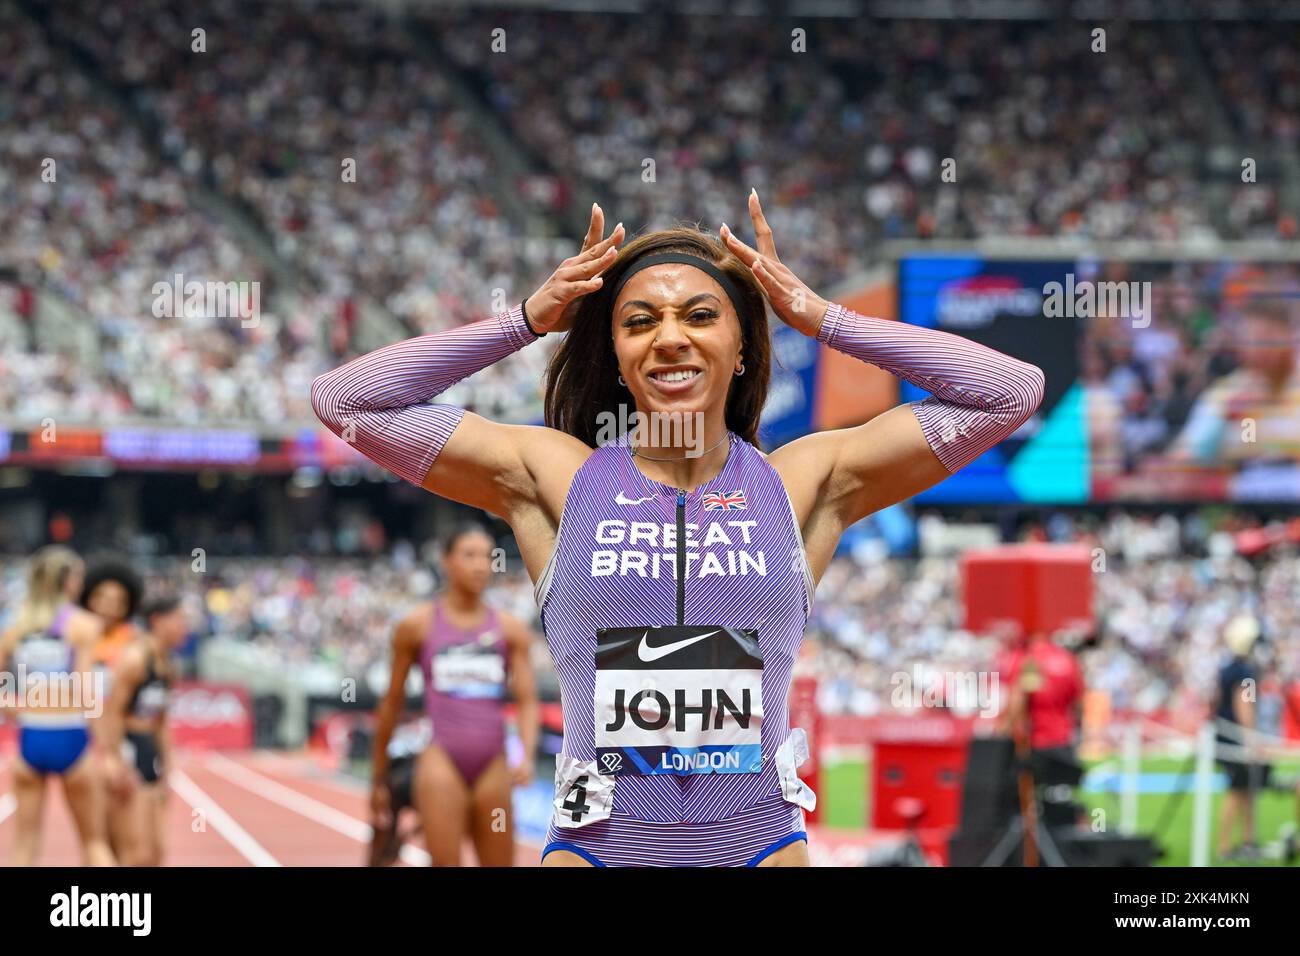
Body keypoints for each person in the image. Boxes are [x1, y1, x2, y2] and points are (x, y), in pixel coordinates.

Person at [312, 194, 1045, 866]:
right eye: (640, 322)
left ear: (744, 346)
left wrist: (824, 321)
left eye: (700, 316)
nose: (670, 338)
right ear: (620, 361)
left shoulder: (804, 482)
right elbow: (346, 400)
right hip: (601, 846)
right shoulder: (558, 478)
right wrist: (527, 319)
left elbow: (1009, 393)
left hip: (756, 843)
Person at [370, 524, 540, 866]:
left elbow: (526, 700)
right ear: (446, 561)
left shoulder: (510, 629)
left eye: (488, 557)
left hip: (493, 764)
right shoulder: (416, 626)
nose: (481, 565)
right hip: (441, 763)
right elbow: (392, 703)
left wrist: (527, 754)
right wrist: (378, 779)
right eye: (469, 555)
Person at [0, 546, 115, 866]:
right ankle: (115, 911)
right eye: (78, 575)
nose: (82, 581)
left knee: (23, 844)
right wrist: (106, 749)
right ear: (66, 581)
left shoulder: (16, 628)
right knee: (94, 842)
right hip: (71, 736)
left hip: (31, 737)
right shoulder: (84, 625)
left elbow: (1, 686)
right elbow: (85, 688)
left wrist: (14, 708)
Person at [97, 595, 187, 867]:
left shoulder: (168, 665)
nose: (185, 627)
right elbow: (111, 712)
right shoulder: (135, 659)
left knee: (156, 851)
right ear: (158, 621)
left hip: (150, 751)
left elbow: (161, 721)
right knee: (132, 851)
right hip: (128, 750)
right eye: (179, 620)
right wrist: (114, 758)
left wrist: (168, 769)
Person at [78, 558, 145, 860]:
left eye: (117, 601)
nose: (108, 607)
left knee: (126, 840)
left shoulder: (133, 642)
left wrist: (115, 752)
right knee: (94, 839)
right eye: (101, 598)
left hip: (121, 744)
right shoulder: (76, 639)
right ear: (88, 598)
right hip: (84, 746)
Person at [1215, 613, 1267, 862]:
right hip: (1236, 740)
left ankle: (1246, 841)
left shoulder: (1227, 669)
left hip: (1225, 736)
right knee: (1238, 792)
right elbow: (1243, 706)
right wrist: (1251, 739)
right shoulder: (1245, 672)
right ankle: (1226, 846)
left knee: (1245, 791)